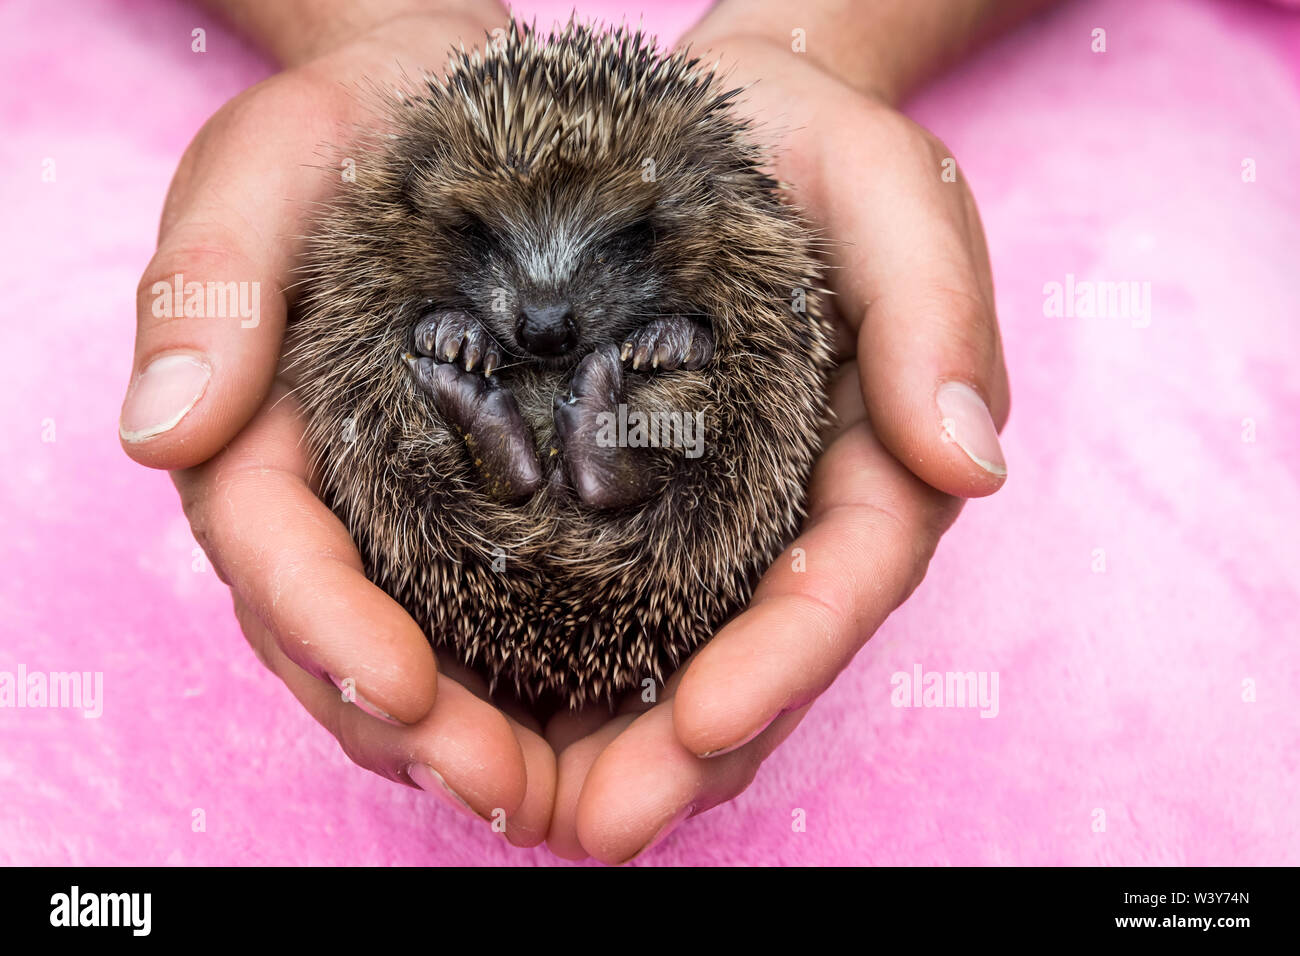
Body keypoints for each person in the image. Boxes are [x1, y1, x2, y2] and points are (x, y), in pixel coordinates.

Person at [119, 0, 1033, 863]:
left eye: (618, 246)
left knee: (735, 390)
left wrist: (832, 43)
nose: (547, 315)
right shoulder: (390, 206)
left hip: (650, 508)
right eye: (488, 241)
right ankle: (577, 443)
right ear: (425, 202)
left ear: (681, 210)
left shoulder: (728, 209)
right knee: (378, 380)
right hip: (500, 504)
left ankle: (552, 443)